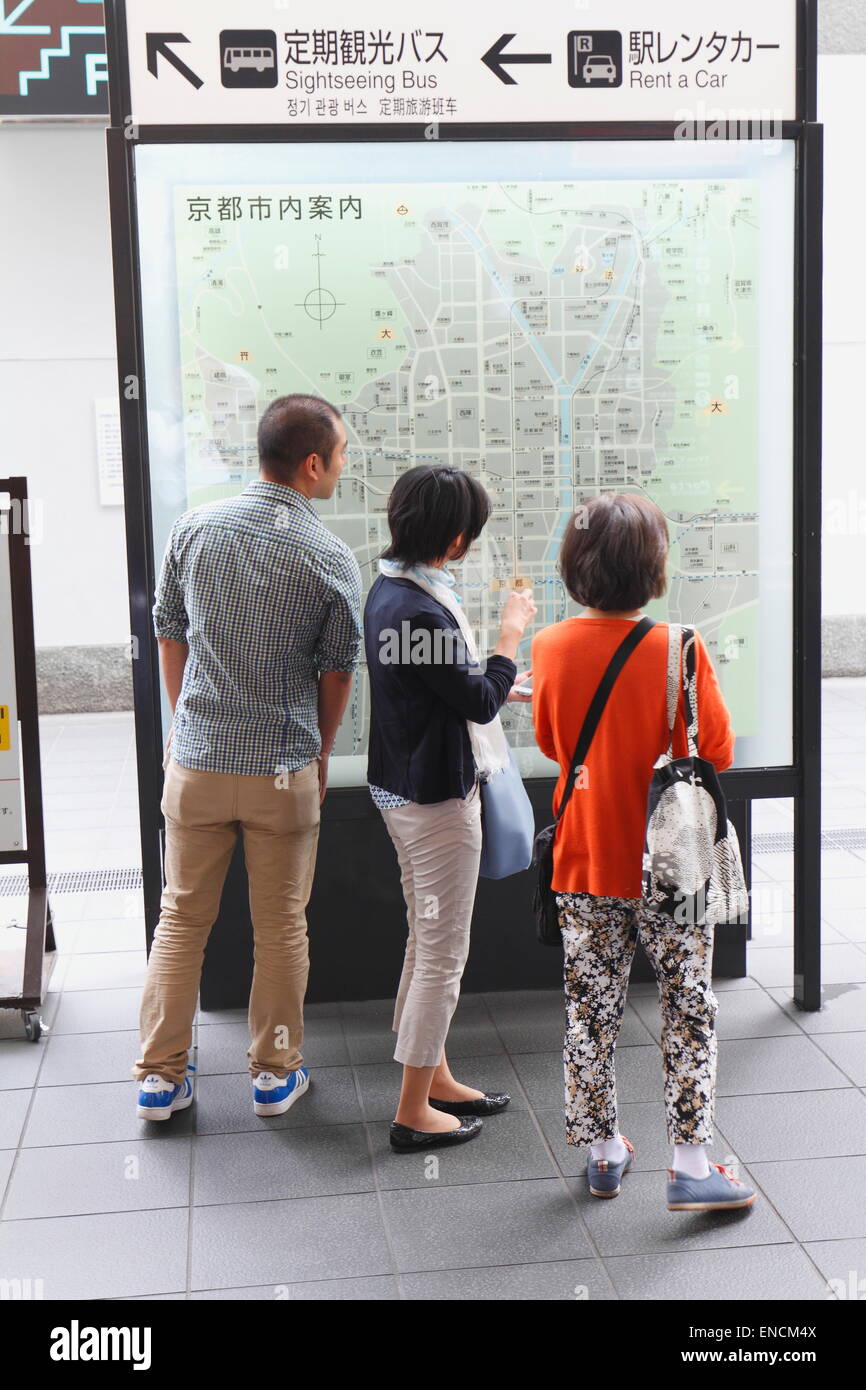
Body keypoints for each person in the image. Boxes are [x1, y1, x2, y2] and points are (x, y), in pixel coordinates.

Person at [133, 394, 362, 1121]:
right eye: (343, 455)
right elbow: (337, 673)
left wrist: (184, 722)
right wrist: (320, 755)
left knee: (180, 920)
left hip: (197, 762)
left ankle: (160, 1080)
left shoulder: (195, 527)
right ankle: (274, 1074)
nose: (344, 467)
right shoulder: (327, 555)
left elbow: (170, 628)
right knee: (282, 927)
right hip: (281, 770)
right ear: (313, 463)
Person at [531, 492, 757, 1212]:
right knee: (687, 1005)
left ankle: (602, 1152)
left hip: (585, 860)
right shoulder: (680, 648)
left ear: (575, 566)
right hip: (677, 864)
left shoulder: (549, 646)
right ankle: (690, 1164)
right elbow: (714, 748)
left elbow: (551, 744)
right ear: (653, 570)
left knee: (589, 1009)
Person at [364, 466, 536, 1152]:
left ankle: (433, 1077)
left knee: (423, 939)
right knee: (442, 953)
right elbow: (478, 701)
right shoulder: (423, 608)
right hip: (435, 799)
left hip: (402, 786)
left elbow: (453, 688)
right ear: (457, 537)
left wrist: (490, 678)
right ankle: (413, 1112)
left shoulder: (392, 589)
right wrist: (510, 635)